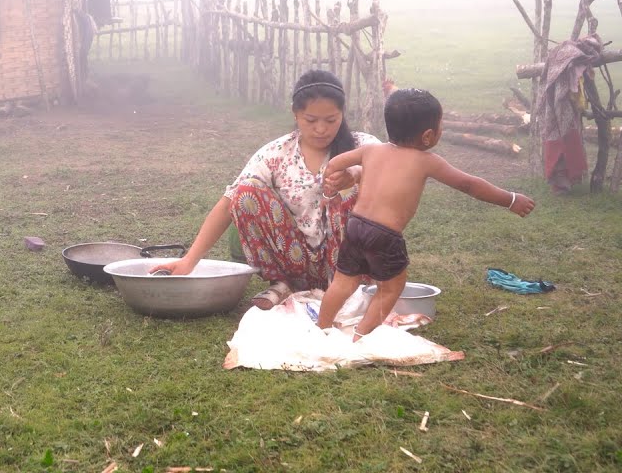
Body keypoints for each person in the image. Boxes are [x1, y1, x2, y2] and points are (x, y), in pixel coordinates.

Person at [316, 88, 536, 339]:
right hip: (384, 234)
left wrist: (330, 186)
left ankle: (321, 328)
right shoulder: (427, 161)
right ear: (428, 135)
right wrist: (511, 200)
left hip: (355, 224)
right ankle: (360, 337)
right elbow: (470, 185)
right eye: (440, 125)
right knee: (390, 289)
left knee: (344, 281)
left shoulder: (371, 150)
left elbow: (335, 163)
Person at [150, 70, 378, 309]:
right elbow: (229, 203)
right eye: (311, 120)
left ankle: (350, 288)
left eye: (331, 120)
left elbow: (398, 177)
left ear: (342, 113)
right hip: (297, 261)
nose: (321, 129)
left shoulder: (366, 148)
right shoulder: (276, 153)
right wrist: (189, 261)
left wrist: (357, 175)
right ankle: (284, 284)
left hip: (351, 266)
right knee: (246, 192)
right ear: (295, 113)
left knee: (357, 189)